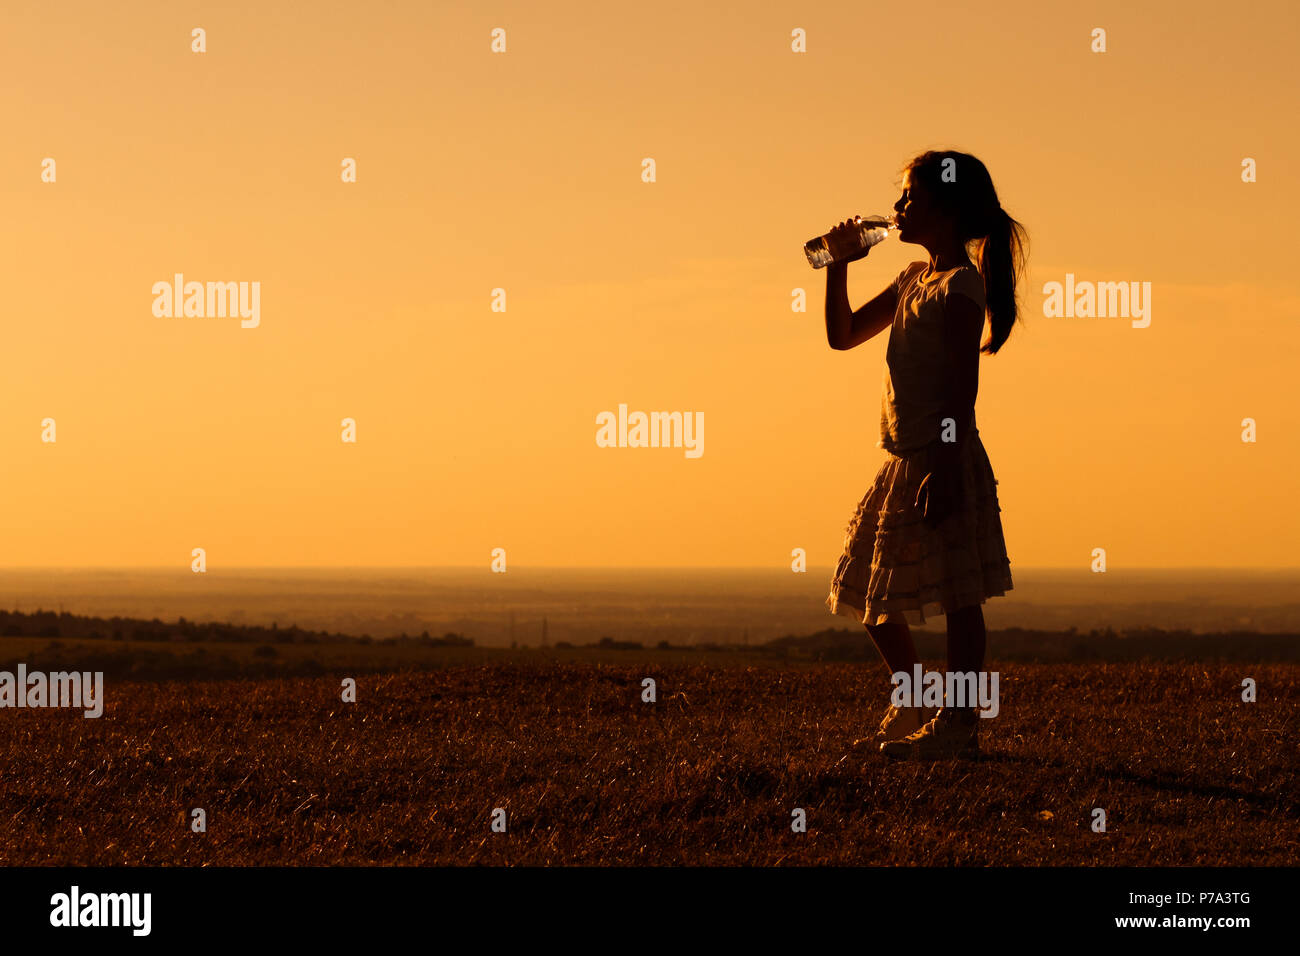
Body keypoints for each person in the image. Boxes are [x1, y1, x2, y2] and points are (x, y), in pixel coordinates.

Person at [822, 149, 1027, 760]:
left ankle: (959, 722)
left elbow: (962, 387)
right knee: (867, 591)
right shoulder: (913, 278)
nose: (897, 208)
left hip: (944, 455)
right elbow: (843, 335)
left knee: (961, 596)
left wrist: (943, 466)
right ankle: (913, 694)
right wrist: (837, 266)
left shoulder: (961, 286)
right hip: (904, 457)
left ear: (945, 210)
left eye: (911, 198)